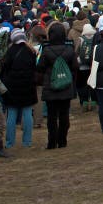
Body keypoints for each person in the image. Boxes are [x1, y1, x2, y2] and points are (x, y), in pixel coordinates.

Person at [35, 21, 78, 149]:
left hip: (51, 86)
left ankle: (52, 141)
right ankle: (62, 140)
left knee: (52, 116)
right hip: (65, 84)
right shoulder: (69, 50)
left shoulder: (46, 51)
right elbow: (75, 66)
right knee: (64, 114)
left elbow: (40, 68)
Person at [0, 28, 37, 149]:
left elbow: (4, 68)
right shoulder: (31, 51)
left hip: (12, 86)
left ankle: (9, 142)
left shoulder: (9, 51)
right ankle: (27, 141)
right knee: (27, 114)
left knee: (11, 114)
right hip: (28, 85)